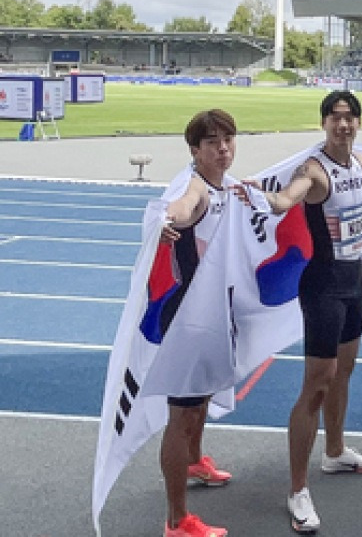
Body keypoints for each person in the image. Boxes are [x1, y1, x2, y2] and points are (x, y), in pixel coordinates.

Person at [235, 91, 362, 535]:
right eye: (335, 118)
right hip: (323, 289)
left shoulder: (360, 165)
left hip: (355, 286)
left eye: (350, 118)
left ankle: (335, 452)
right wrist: (262, 196)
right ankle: (297, 489)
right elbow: (286, 199)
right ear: (323, 124)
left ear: (358, 123)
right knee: (316, 386)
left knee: (344, 372)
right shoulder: (314, 170)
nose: (343, 125)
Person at [157, 109, 239, 537]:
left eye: (227, 140)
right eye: (212, 143)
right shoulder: (196, 186)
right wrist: (170, 219)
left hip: (214, 313)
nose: (223, 148)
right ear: (195, 150)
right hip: (188, 318)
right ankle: (176, 522)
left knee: (200, 404)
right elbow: (185, 207)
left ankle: (194, 461)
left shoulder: (226, 185)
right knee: (181, 416)